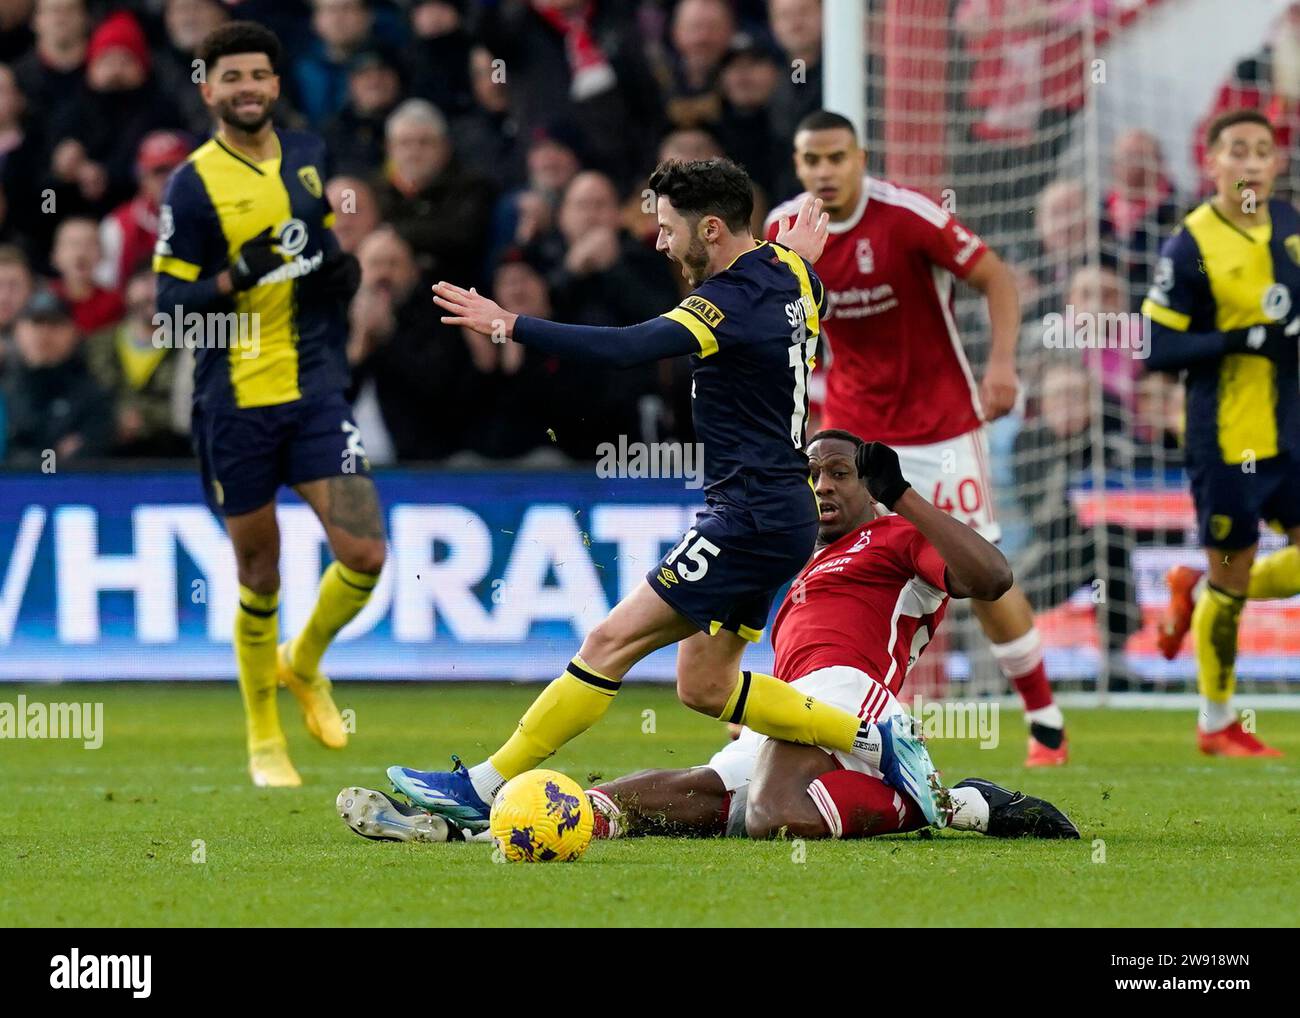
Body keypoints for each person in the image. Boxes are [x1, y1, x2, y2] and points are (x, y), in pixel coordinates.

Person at [389, 158, 948, 831]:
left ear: (711, 229)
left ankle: (481, 787)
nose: (658, 242)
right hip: (781, 515)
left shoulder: (726, 303)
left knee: (608, 640)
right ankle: (871, 739)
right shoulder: (793, 273)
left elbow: (629, 347)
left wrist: (511, 324)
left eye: (666, 228)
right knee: (705, 685)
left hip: (744, 515)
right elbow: (801, 281)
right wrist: (793, 253)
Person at [339, 431, 1078, 846]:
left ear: (866, 483)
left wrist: (904, 496)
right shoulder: (793, 562)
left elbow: (992, 578)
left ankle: (948, 804)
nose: (821, 485)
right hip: (791, 709)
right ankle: (489, 829)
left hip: (857, 703)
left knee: (775, 818)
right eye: (810, 473)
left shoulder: (892, 538)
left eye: (839, 473)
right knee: (696, 797)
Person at [766, 110, 1070, 766]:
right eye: (812, 160)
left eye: (836, 158)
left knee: (980, 572)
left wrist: (1000, 365)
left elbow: (995, 275)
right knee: (826, 565)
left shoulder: (907, 216)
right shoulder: (783, 232)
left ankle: (1045, 723)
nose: (824, 172)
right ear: (798, 166)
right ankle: (797, 706)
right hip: (852, 431)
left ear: (860, 157)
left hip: (941, 426)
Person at [152, 21, 385, 786]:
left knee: (365, 552)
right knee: (261, 573)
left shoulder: (311, 155)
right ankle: (262, 737)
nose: (246, 87)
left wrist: (337, 271)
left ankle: (304, 661)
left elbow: (315, 245)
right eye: (231, 77)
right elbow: (169, 306)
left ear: (275, 86)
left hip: (314, 388)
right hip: (234, 402)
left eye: (258, 74)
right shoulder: (191, 185)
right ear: (207, 88)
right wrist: (235, 277)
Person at [1144, 109, 1298, 758]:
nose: (1252, 162)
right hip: (1224, 438)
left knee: (1234, 578)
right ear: (1212, 163)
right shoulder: (1191, 244)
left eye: (1263, 151)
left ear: (1277, 164)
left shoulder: (1291, 226)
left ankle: (1195, 586)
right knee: (1234, 581)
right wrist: (1242, 338)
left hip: (1291, 428)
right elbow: (1156, 345)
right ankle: (1215, 722)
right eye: (1238, 150)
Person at [3, 288, 110, 466]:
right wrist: (53, 452)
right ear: (17, 331)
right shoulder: (5, 391)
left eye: (55, 323)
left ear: (74, 333)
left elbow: (88, 457)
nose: (44, 333)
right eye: (36, 322)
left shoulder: (93, 395)